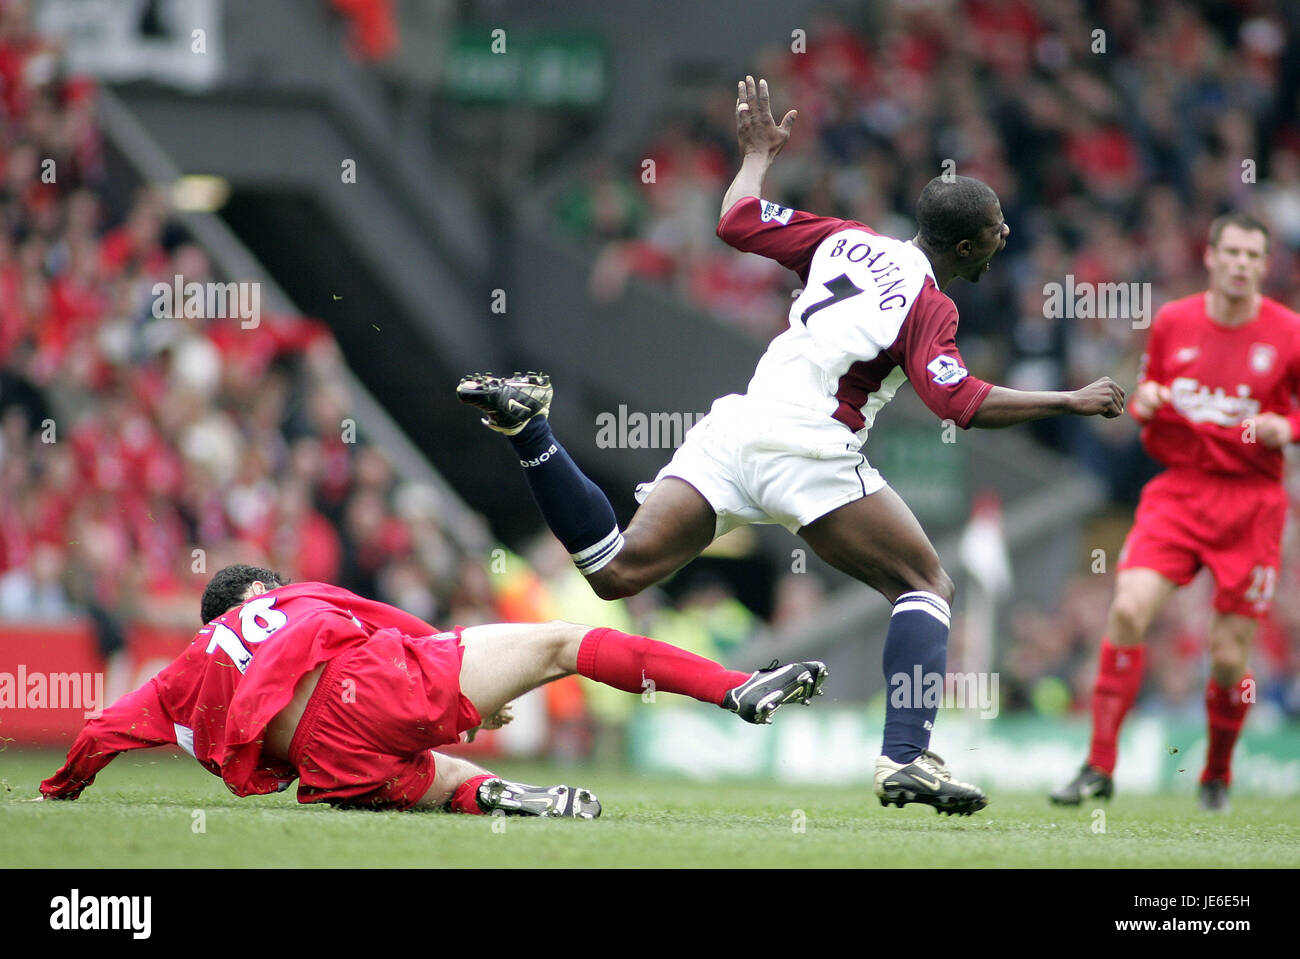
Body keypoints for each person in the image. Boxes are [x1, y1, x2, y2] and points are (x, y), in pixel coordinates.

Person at [458, 76, 1126, 816]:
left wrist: (753, 155)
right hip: (810, 446)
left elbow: (738, 219)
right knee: (925, 585)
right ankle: (906, 757)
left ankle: (531, 428)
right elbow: (959, 402)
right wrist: (1068, 399)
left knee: (616, 570)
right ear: (967, 246)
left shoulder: (847, 239)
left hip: (738, 428)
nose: (1005, 237)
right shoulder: (930, 304)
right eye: (998, 229)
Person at [39, 564, 827, 814]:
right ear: (254, 592)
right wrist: (470, 685)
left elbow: (100, 733)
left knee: (424, 772)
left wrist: (60, 790)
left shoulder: (181, 673)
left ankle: (505, 796)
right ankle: (735, 689)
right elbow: (397, 626)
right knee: (562, 643)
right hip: (378, 687)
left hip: (327, 764)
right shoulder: (284, 597)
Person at [1051, 214, 1299, 812]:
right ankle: (1099, 764)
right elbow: (1144, 398)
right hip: (1180, 492)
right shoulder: (1173, 322)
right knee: (1130, 609)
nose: (1241, 263)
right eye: (1232, 252)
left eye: (1252, 255)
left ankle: (1216, 769)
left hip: (1252, 504)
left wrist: (1284, 427)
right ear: (1211, 257)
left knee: (1231, 660)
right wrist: (1149, 399)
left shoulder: (1288, 334)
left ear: (1264, 266)